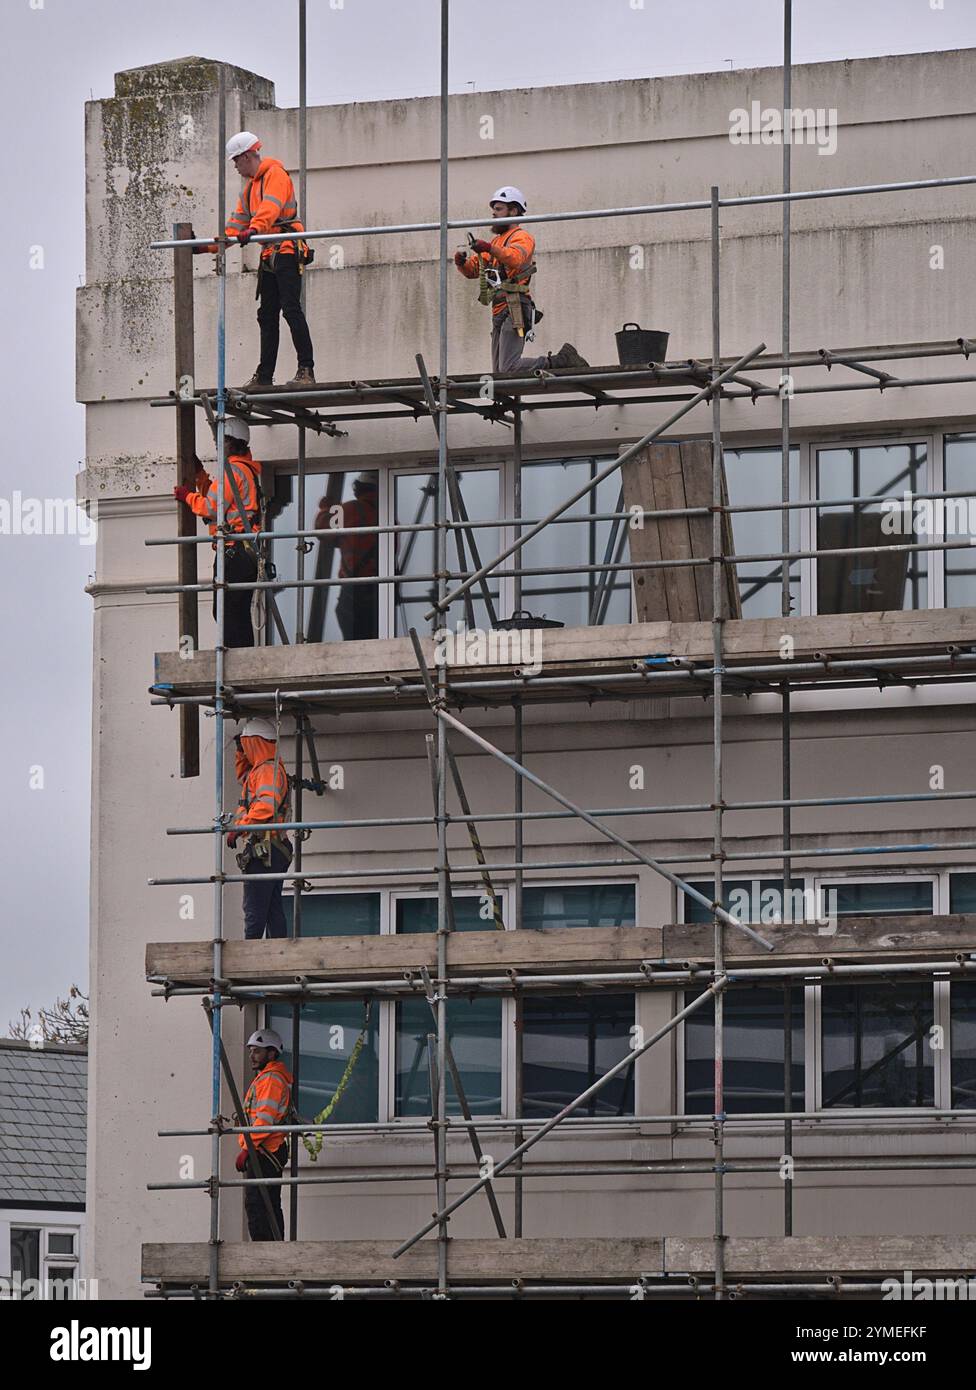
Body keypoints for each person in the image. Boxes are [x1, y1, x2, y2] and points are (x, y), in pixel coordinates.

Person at [195, 131, 316, 391]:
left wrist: (255, 229)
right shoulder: (250, 189)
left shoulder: (276, 175)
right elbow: (236, 225)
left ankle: (306, 369)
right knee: (267, 315)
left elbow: (269, 210)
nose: (236, 167)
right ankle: (264, 377)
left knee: (291, 309)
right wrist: (205, 247)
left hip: (286, 248)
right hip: (269, 253)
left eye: (236, 161)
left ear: (247, 156)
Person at [454, 186, 590, 375]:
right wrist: (461, 263)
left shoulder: (522, 237)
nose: (494, 214)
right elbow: (473, 271)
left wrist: (489, 249)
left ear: (514, 211)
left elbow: (515, 258)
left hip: (515, 307)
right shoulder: (496, 242)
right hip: (499, 310)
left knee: (508, 368)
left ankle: (560, 361)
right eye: (494, 209)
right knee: (499, 373)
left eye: (499, 209)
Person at [173, 420, 261, 648]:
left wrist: (187, 497)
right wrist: (200, 476)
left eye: (221, 441)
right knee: (235, 610)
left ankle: (237, 660)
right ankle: (242, 656)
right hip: (243, 552)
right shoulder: (244, 470)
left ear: (231, 443)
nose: (218, 446)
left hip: (234, 551)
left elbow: (211, 507)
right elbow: (220, 499)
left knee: (227, 610)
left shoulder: (232, 471)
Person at [228, 717, 293, 940]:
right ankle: (277, 952)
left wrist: (241, 827)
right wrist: (240, 753)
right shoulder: (263, 770)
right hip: (272, 848)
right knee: (272, 909)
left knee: (255, 910)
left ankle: (250, 957)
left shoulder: (267, 770)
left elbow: (266, 804)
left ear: (255, 743)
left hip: (266, 850)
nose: (244, 747)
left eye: (246, 744)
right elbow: (246, 779)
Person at [236, 1028, 293, 1241]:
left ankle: (264, 1254)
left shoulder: (271, 1079)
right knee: (267, 1203)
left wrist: (245, 1147)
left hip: (265, 1150)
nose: (251, 1056)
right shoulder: (267, 1078)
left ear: (271, 1053)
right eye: (251, 1051)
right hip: (265, 1149)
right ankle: (271, 1250)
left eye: (257, 1051)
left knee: (258, 1204)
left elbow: (264, 1121)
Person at [313, 473, 380, 640]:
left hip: (355, 590)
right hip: (380, 590)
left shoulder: (352, 510)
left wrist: (326, 508)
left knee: (354, 639)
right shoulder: (389, 517)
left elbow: (322, 526)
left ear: (358, 488)